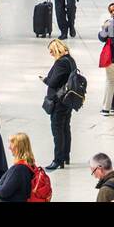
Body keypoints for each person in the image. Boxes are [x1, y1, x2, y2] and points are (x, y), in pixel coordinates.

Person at [41, 39, 78, 170]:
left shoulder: (61, 63)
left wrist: (45, 80)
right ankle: (65, 156)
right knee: (65, 128)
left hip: (59, 102)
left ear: (57, 49)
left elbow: (53, 82)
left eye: (51, 51)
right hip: (68, 100)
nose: (51, 54)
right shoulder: (70, 60)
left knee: (57, 131)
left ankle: (58, 160)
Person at [0, 133, 45, 202]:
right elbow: (12, 181)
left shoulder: (19, 169)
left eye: (12, 144)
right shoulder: (30, 163)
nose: (9, 147)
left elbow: (4, 191)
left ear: (18, 147)